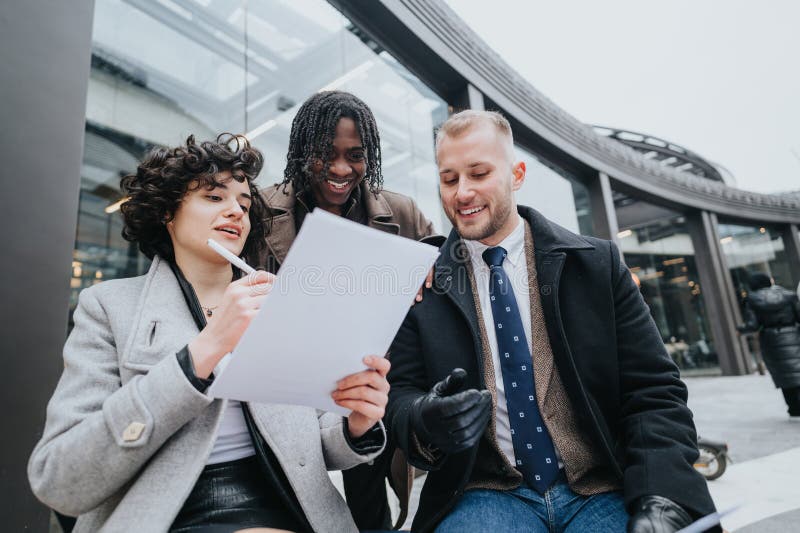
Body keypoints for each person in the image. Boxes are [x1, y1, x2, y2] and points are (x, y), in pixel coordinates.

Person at [28, 134, 390, 533]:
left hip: (288, 506)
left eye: (244, 202)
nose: (235, 209)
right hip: (167, 516)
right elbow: (59, 480)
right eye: (214, 197)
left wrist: (355, 421)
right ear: (167, 212)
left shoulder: (280, 302)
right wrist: (207, 347)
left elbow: (317, 448)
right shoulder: (109, 307)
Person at [385, 110, 718, 532]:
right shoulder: (423, 281)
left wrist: (662, 497)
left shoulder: (597, 265)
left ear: (517, 174)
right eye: (449, 179)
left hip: (599, 486)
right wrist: (423, 418)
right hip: (485, 492)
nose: (462, 192)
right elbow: (400, 395)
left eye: (479, 173)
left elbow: (653, 391)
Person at [257, 90, 440, 530]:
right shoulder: (261, 209)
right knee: (292, 500)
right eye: (325, 155)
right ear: (303, 151)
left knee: (368, 504)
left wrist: (429, 264)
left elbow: (440, 260)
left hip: (364, 384)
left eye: (355, 156)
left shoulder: (401, 212)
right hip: (285, 383)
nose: (341, 169)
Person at [739, 272, 800, 417]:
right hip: (793, 335)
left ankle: (794, 407)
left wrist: (739, 329)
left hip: (771, 339)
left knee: (783, 375)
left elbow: (752, 325)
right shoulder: (789, 295)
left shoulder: (753, 300)